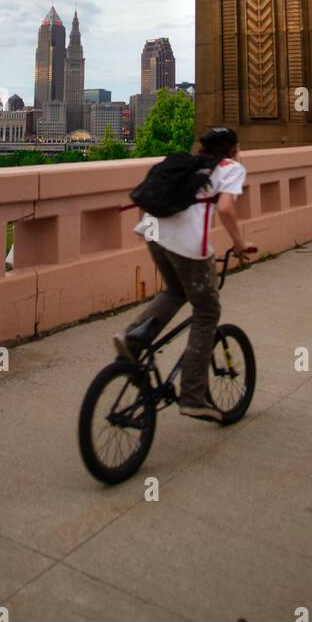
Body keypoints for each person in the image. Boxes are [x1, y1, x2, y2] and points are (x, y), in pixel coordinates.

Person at [113, 126, 255, 423]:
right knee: (207, 310)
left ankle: (133, 337)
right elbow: (227, 209)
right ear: (232, 149)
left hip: (152, 234)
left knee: (176, 291)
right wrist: (240, 244)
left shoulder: (189, 163)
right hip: (187, 246)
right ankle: (192, 395)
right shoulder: (231, 168)